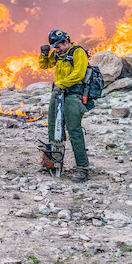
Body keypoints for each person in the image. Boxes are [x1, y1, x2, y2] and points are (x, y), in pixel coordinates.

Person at [39, 29, 91, 182]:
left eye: (59, 46)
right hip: (58, 93)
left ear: (66, 41)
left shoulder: (78, 52)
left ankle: (82, 168)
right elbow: (45, 65)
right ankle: (54, 163)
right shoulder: (58, 55)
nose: (57, 49)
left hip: (73, 95)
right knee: (53, 128)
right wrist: (44, 54)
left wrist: (61, 84)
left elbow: (79, 74)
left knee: (74, 130)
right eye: (55, 47)